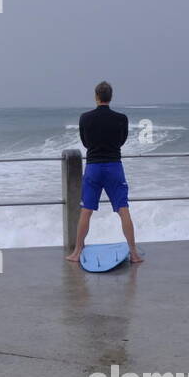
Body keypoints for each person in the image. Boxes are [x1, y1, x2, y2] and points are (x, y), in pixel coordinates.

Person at [65, 81, 142, 264]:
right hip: (114, 166)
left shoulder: (85, 118)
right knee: (123, 209)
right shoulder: (121, 118)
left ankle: (77, 252)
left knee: (86, 210)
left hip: (93, 167)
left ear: (96, 96)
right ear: (110, 96)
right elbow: (122, 140)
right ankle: (134, 253)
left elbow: (85, 142)